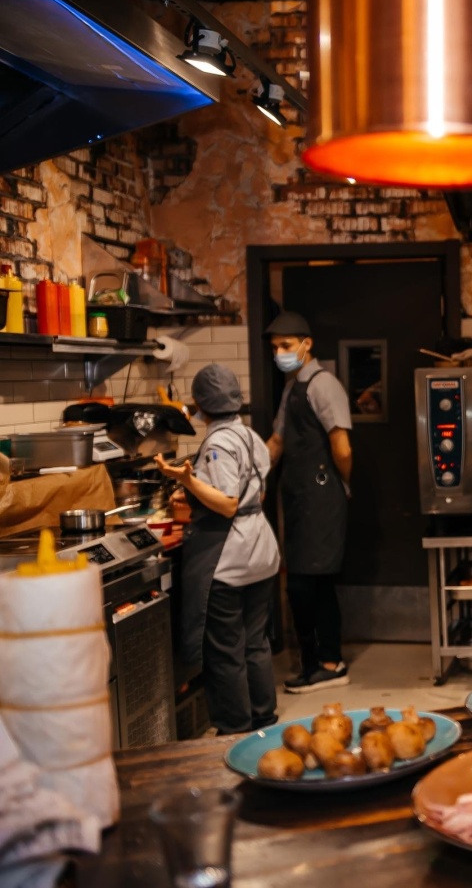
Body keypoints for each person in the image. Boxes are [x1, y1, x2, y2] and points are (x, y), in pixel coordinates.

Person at [157, 364, 280, 735]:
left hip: (231, 558)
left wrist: (186, 480)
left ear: (201, 403)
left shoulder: (218, 444)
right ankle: (263, 720)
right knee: (255, 643)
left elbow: (227, 503)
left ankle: (234, 730)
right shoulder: (250, 436)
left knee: (225, 650)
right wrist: (196, 492)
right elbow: (254, 495)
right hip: (261, 551)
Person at [264, 311, 354, 693]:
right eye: (275, 348)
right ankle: (317, 662)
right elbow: (277, 441)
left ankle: (328, 663)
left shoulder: (324, 385)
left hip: (321, 495)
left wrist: (342, 484)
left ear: (306, 344)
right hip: (299, 497)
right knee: (305, 583)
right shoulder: (292, 388)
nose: (280, 353)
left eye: (285, 346)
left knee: (310, 582)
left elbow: (342, 448)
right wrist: (252, 473)